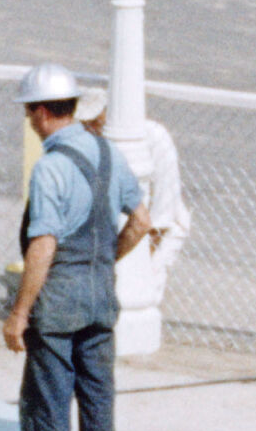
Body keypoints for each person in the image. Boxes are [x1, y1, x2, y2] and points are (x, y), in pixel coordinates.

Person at [2, 64, 151, 431]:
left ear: (43, 112)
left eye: (30, 112)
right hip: (101, 295)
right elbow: (142, 220)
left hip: (60, 299)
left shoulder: (50, 168)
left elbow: (42, 245)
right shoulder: (108, 153)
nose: (30, 121)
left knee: (45, 405)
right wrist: (106, 259)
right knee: (98, 401)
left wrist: (19, 313)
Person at [77, 87, 192, 301]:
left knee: (141, 298)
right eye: (85, 124)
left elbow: (163, 212)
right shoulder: (92, 143)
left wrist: (141, 265)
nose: (91, 129)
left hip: (155, 235)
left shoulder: (154, 137)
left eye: (96, 121)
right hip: (116, 236)